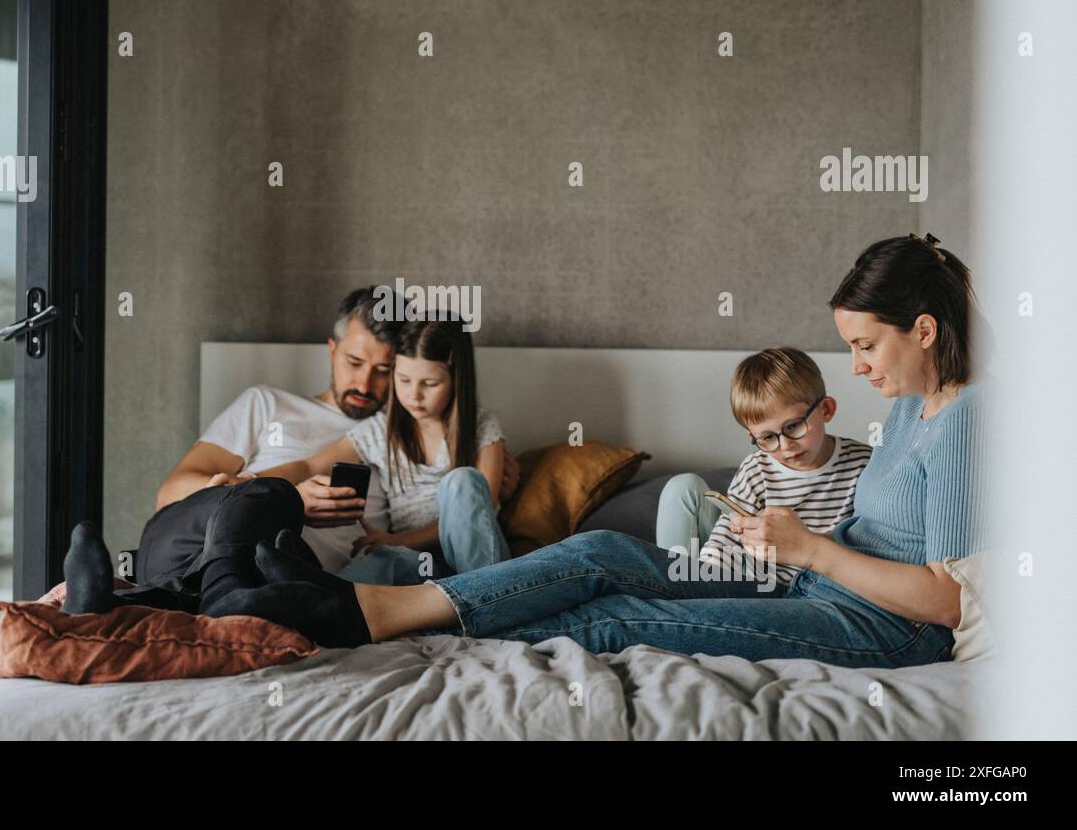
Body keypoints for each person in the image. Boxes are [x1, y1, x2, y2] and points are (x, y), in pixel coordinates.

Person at [207, 234, 990, 670]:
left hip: (884, 629)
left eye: (865, 345)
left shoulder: (966, 421)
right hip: (805, 584)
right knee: (605, 548)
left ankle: (371, 622)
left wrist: (812, 551)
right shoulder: (917, 406)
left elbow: (948, 603)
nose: (856, 367)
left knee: (617, 618)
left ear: (923, 329)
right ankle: (373, 605)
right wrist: (783, 548)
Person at [59, 287, 519, 613]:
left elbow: (470, 495)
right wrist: (268, 493)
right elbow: (172, 494)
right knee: (261, 505)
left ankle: (119, 605)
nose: (365, 383)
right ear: (331, 349)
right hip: (203, 528)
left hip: (291, 567)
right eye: (355, 363)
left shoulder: (387, 432)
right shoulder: (267, 402)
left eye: (384, 371)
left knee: (272, 586)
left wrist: (495, 481)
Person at [252, 318, 509, 586]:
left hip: (481, 563)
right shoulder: (380, 431)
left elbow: (481, 510)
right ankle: (305, 592)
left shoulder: (482, 426)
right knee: (383, 561)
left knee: (462, 481)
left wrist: (397, 540)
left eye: (430, 384)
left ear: (457, 379)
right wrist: (248, 480)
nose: (414, 395)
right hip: (424, 567)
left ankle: (484, 600)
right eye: (404, 379)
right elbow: (309, 466)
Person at [655, 347, 872, 591]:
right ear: (752, 436)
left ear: (826, 410)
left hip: (822, 584)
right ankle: (673, 589)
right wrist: (705, 591)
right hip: (758, 578)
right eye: (767, 437)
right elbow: (726, 540)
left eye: (794, 426)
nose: (786, 446)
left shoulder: (865, 463)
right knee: (682, 487)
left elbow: (869, 539)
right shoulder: (756, 469)